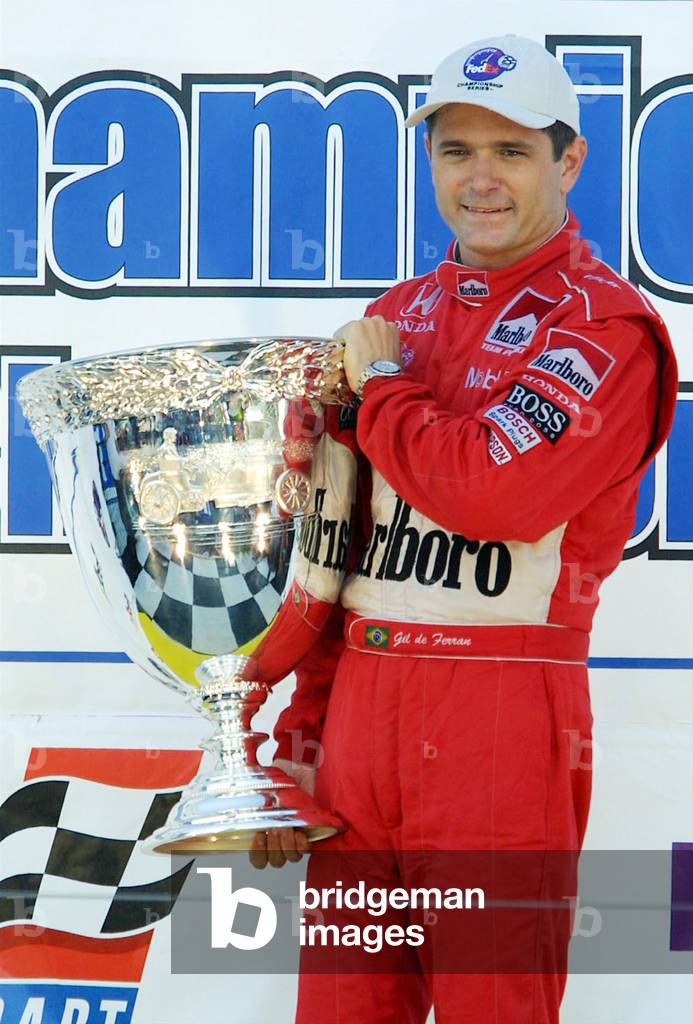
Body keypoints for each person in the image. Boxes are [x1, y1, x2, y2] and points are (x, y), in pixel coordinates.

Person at [250, 34, 678, 1023]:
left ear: (570, 160)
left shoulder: (603, 326)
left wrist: (386, 385)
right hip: (359, 713)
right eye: (456, 149)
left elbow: (495, 496)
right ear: (430, 159)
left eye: (513, 150)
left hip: (501, 718)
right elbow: (330, 561)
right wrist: (297, 745)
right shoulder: (392, 315)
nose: (481, 178)